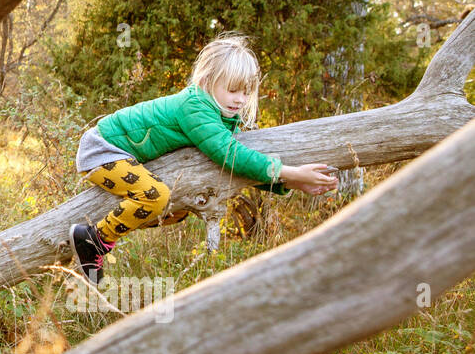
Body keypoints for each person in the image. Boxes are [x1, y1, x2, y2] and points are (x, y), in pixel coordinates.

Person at [70, 32, 338, 282]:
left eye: (246, 92)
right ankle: (92, 239)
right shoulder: (195, 106)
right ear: (208, 81)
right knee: (155, 195)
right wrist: (293, 172)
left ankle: (110, 227)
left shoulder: (216, 114)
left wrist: (291, 183)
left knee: (178, 211)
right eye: (233, 90)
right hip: (103, 148)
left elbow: (230, 169)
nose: (241, 100)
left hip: (123, 155)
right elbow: (233, 157)